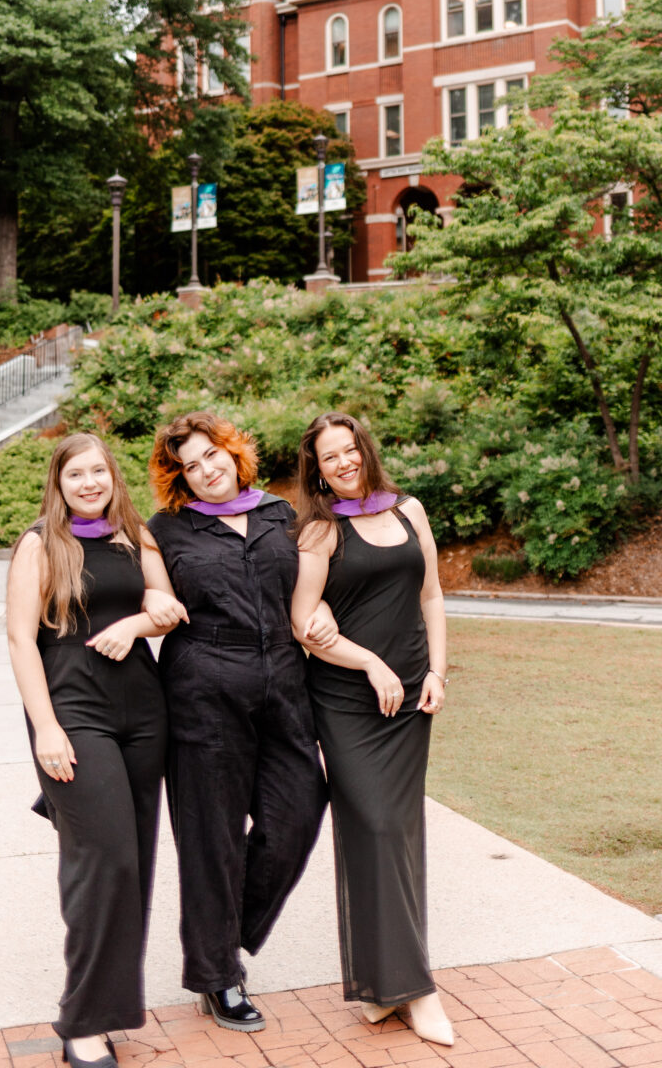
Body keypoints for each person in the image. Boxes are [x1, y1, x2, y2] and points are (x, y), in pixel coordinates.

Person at [6, 433, 187, 1068]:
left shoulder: (131, 534)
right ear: (58, 483)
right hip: (73, 709)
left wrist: (139, 620)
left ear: (113, 477)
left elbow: (168, 607)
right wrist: (46, 729)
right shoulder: (40, 543)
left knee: (132, 863)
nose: (89, 483)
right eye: (76, 474)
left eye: (99, 472)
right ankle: (81, 1022)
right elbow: (21, 642)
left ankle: (108, 1011)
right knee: (101, 862)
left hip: (143, 709)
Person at [147, 410, 331, 1033]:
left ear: (233, 451)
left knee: (298, 812)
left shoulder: (283, 516)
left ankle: (222, 939)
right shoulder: (165, 531)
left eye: (210, 455)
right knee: (212, 840)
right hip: (204, 688)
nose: (205, 471)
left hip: (284, 684)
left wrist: (325, 611)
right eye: (189, 467)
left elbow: (314, 582)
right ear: (179, 480)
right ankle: (218, 974)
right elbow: (135, 586)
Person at [290, 411, 454, 1047]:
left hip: (413, 702)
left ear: (365, 449)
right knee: (376, 829)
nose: (344, 463)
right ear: (318, 470)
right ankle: (416, 990)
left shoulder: (409, 509)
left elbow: (433, 595)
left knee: (396, 832)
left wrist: (437, 671)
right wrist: (370, 661)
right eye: (329, 457)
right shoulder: (319, 533)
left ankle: (380, 987)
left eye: (349, 449)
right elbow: (305, 623)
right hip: (348, 704)